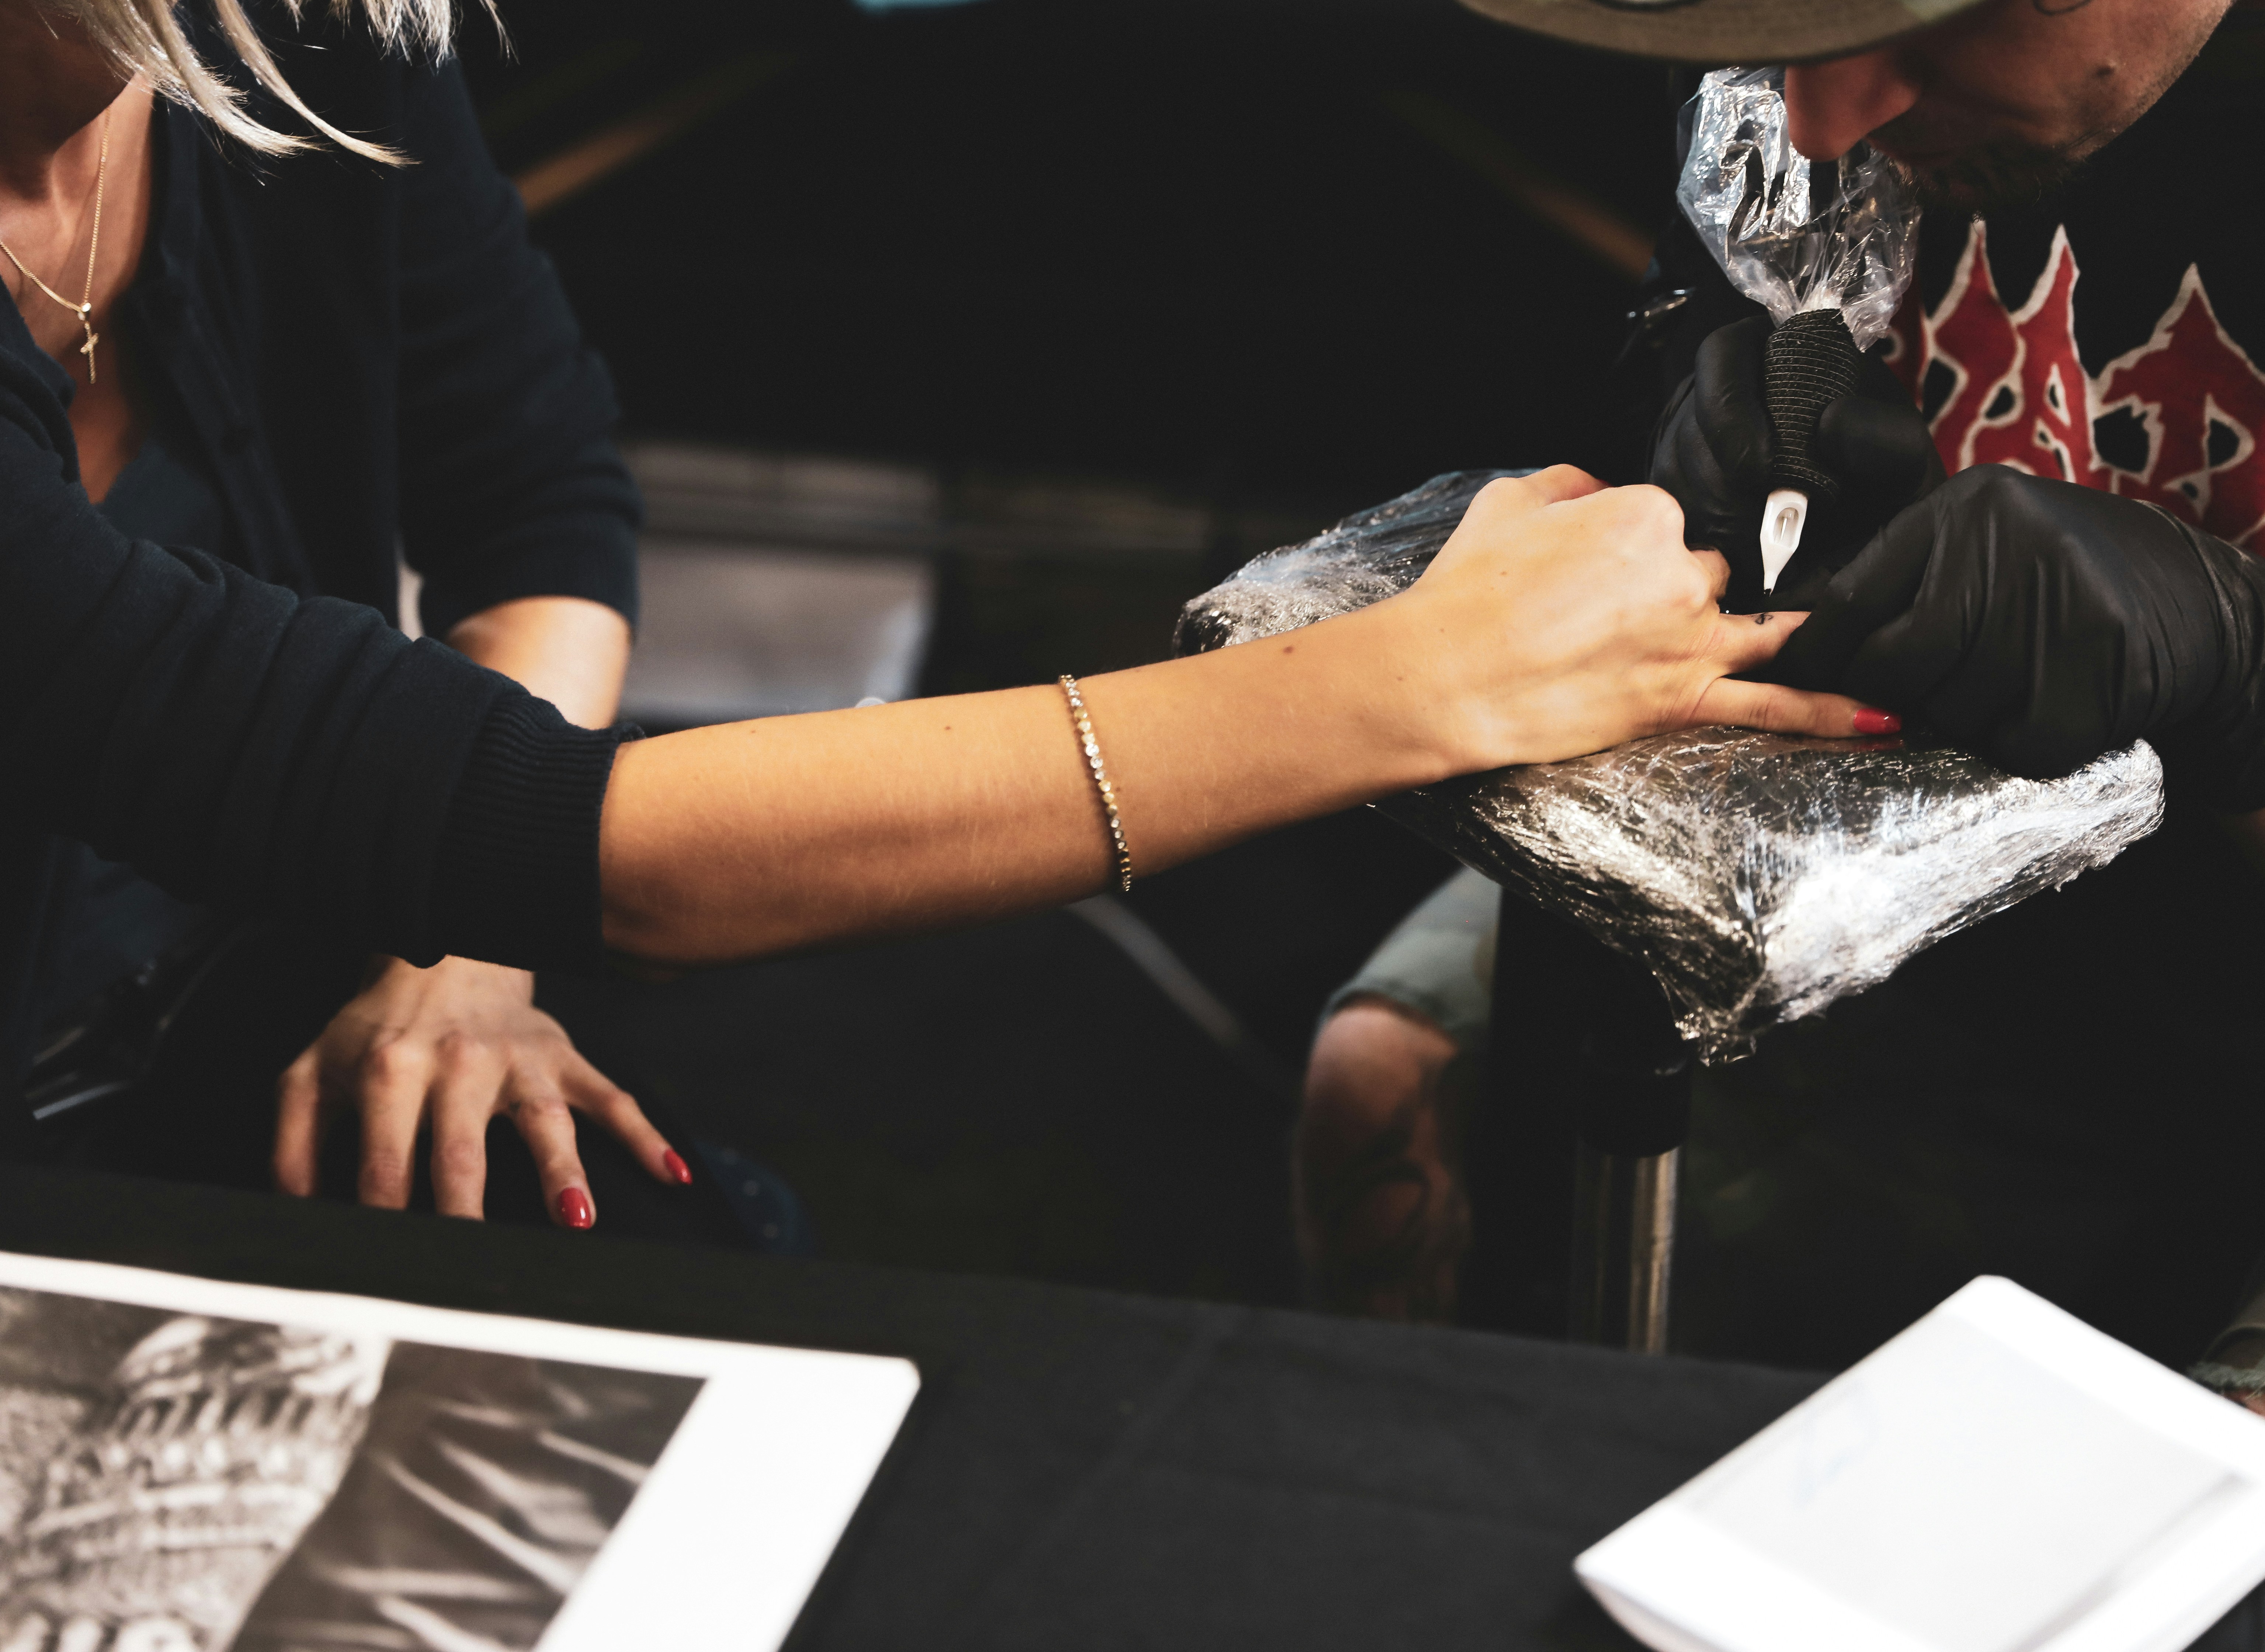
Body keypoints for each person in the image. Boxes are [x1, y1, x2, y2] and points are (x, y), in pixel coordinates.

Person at [0, 0, 1881, 1228]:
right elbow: (594, 850)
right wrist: (1399, 680)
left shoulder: (292, 48)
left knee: (722, 1256)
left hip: (256, 977)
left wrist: (456, 956)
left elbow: (537, 494)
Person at [1301, 0, 2265, 1642]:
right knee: (1387, 1086)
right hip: (1941, 819)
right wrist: (1732, 431)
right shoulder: (1805, 76)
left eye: (1932, 16)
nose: (1831, 106)